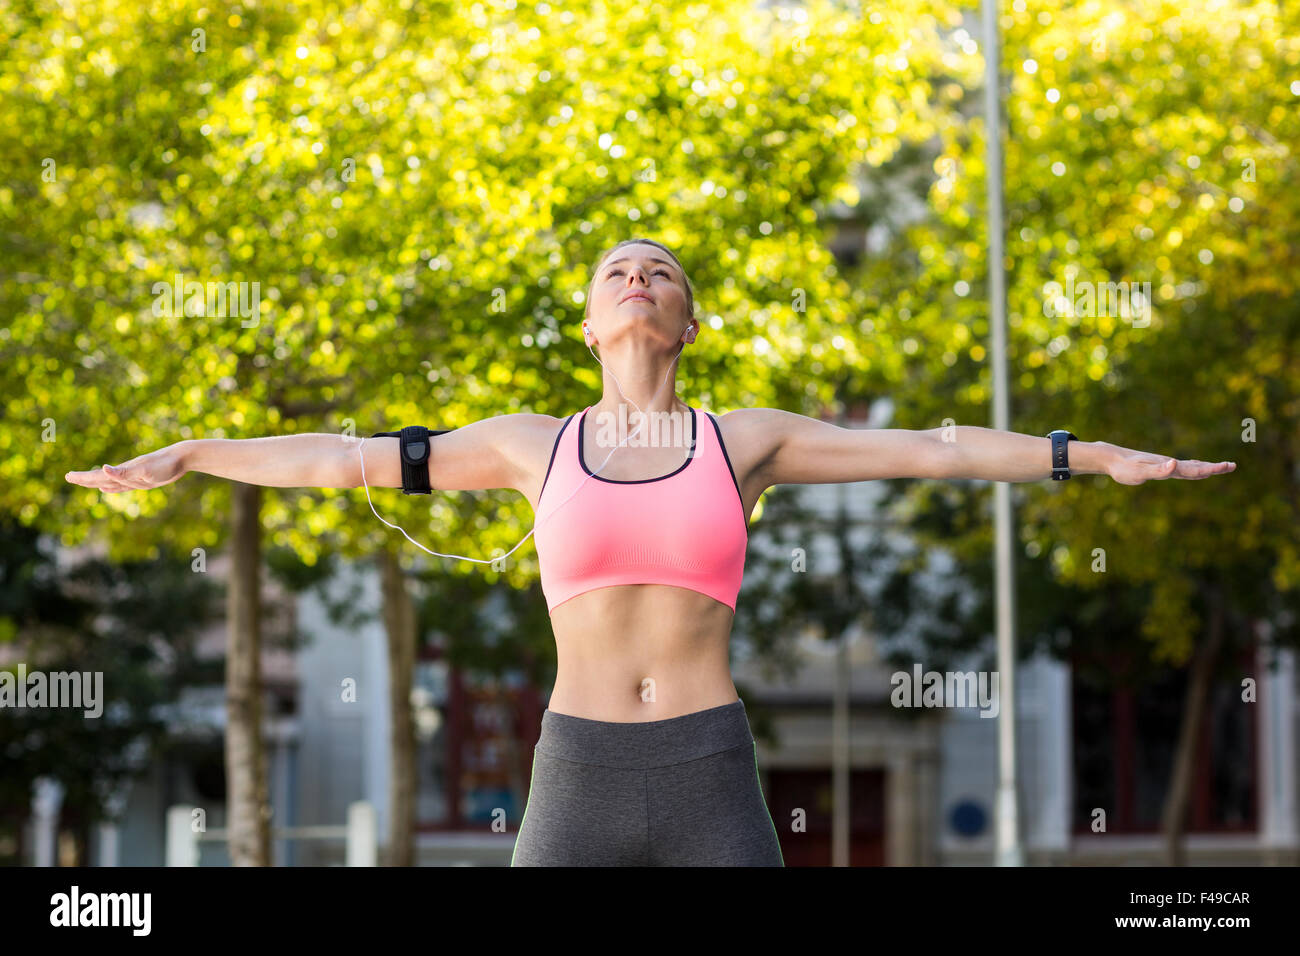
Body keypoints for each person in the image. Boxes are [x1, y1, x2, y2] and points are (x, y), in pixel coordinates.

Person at [65, 238, 1237, 866]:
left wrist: (1089, 456)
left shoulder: (747, 440)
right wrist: (198, 450)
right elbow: (343, 454)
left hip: (709, 774)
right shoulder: (531, 444)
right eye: (616, 271)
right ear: (588, 320)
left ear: (684, 321)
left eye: (660, 272)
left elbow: (936, 450)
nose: (638, 280)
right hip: (572, 773)